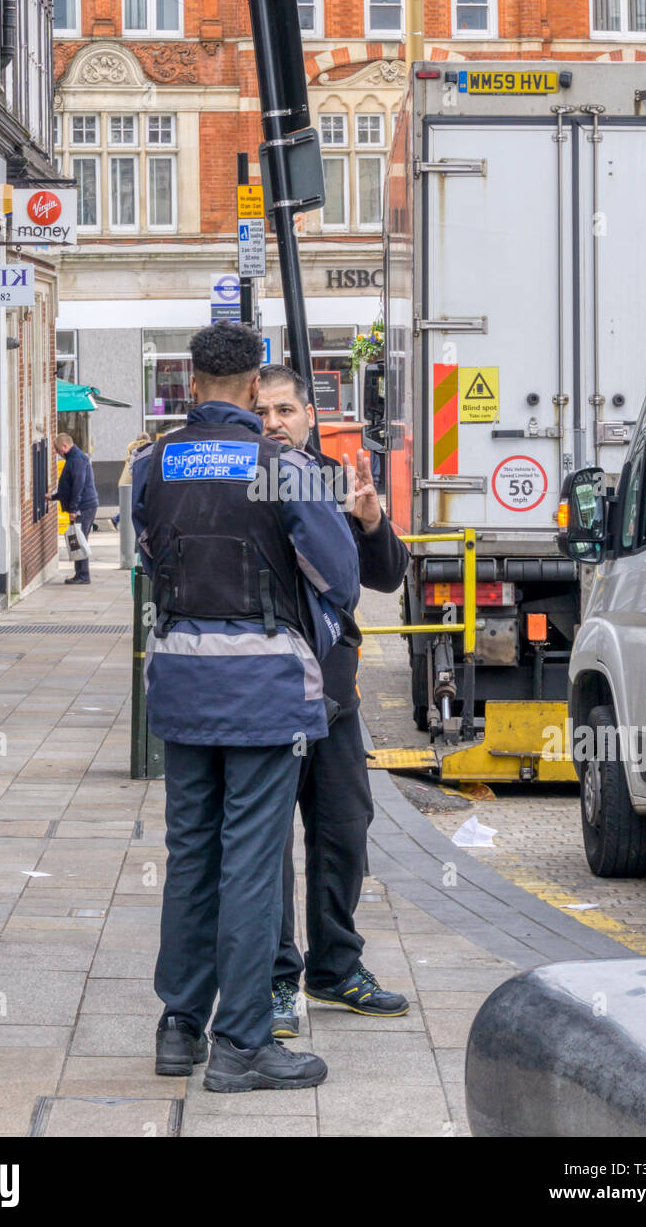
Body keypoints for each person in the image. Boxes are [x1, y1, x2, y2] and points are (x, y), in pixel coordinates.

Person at [132, 322, 360, 1094]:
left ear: (190, 384)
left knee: (191, 854)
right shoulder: (284, 468)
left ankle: (178, 1025)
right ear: (257, 388)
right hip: (264, 693)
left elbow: (147, 554)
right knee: (253, 864)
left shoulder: (150, 465)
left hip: (181, 686)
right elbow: (340, 576)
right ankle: (243, 1044)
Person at [255, 364, 411, 1035]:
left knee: (344, 833)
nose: (273, 423)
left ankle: (335, 970)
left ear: (310, 416)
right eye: (261, 411)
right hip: (262, 701)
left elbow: (385, 576)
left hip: (334, 700)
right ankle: (274, 982)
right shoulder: (243, 482)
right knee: (263, 848)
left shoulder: (333, 480)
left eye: (285, 410)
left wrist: (372, 521)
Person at [51, 433, 99, 585]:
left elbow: (78, 485)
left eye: (58, 450)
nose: (58, 453)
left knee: (79, 539)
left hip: (83, 506)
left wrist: (73, 509)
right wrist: (54, 497)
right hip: (84, 505)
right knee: (79, 539)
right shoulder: (74, 458)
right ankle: (80, 573)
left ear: (65, 446)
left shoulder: (77, 459)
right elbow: (69, 486)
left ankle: (83, 575)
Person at [111, 432, 153, 529]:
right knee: (134, 505)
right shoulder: (144, 450)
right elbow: (135, 470)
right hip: (133, 482)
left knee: (130, 504)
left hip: (125, 482)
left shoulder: (132, 449)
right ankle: (116, 519)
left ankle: (117, 519)